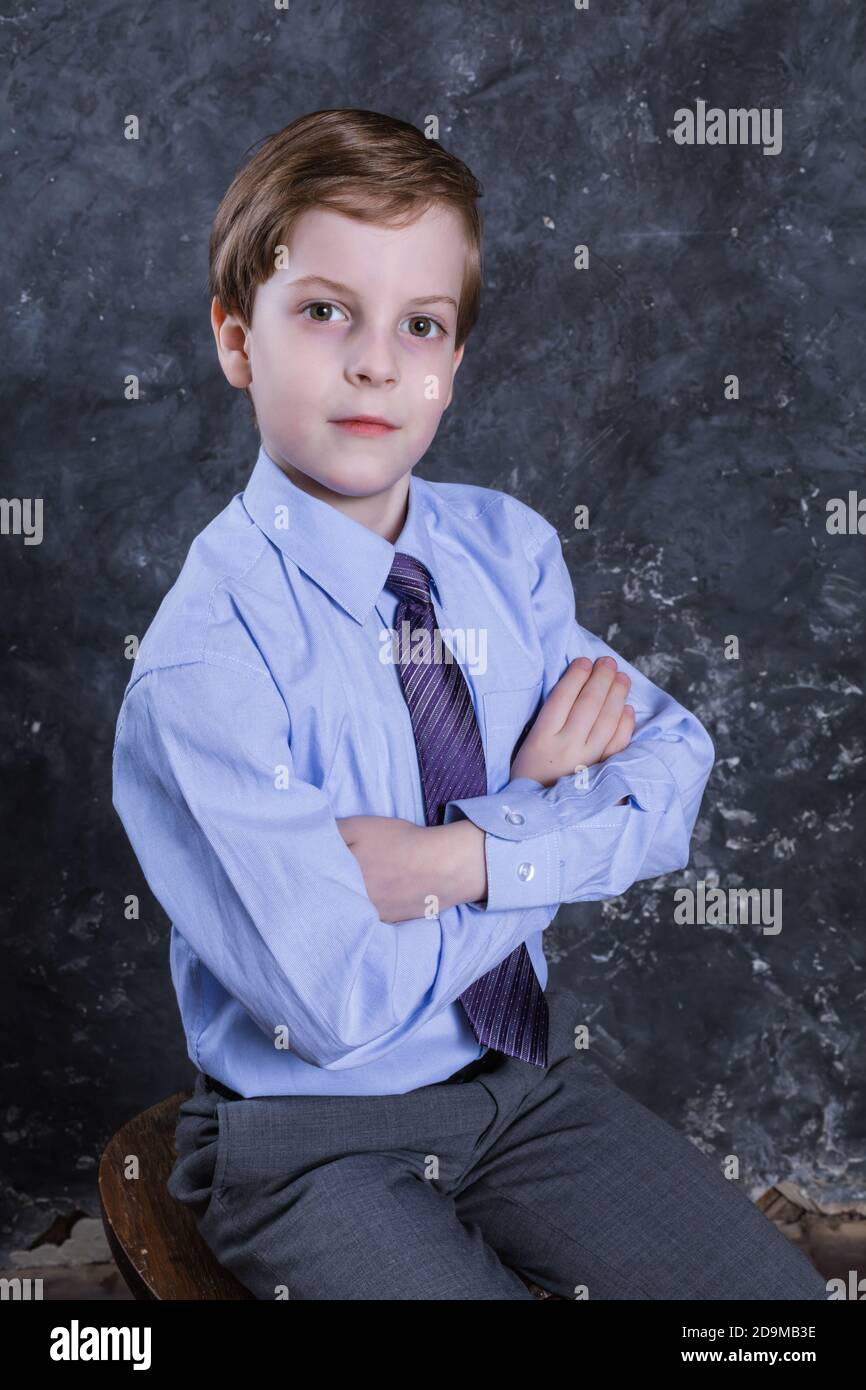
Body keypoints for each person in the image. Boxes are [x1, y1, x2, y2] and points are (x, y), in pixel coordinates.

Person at [111, 108, 826, 1301]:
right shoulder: (206, 662)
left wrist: (452, 855)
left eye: (421, 324)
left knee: (771, 1319)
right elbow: (338, 1003)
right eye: (324, 310)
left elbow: (670, 771)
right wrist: (546, 803)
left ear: (452, 361)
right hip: (309, 1146)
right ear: (239, 340)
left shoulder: (504, 553)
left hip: (518, 1093)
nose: (375, 361)